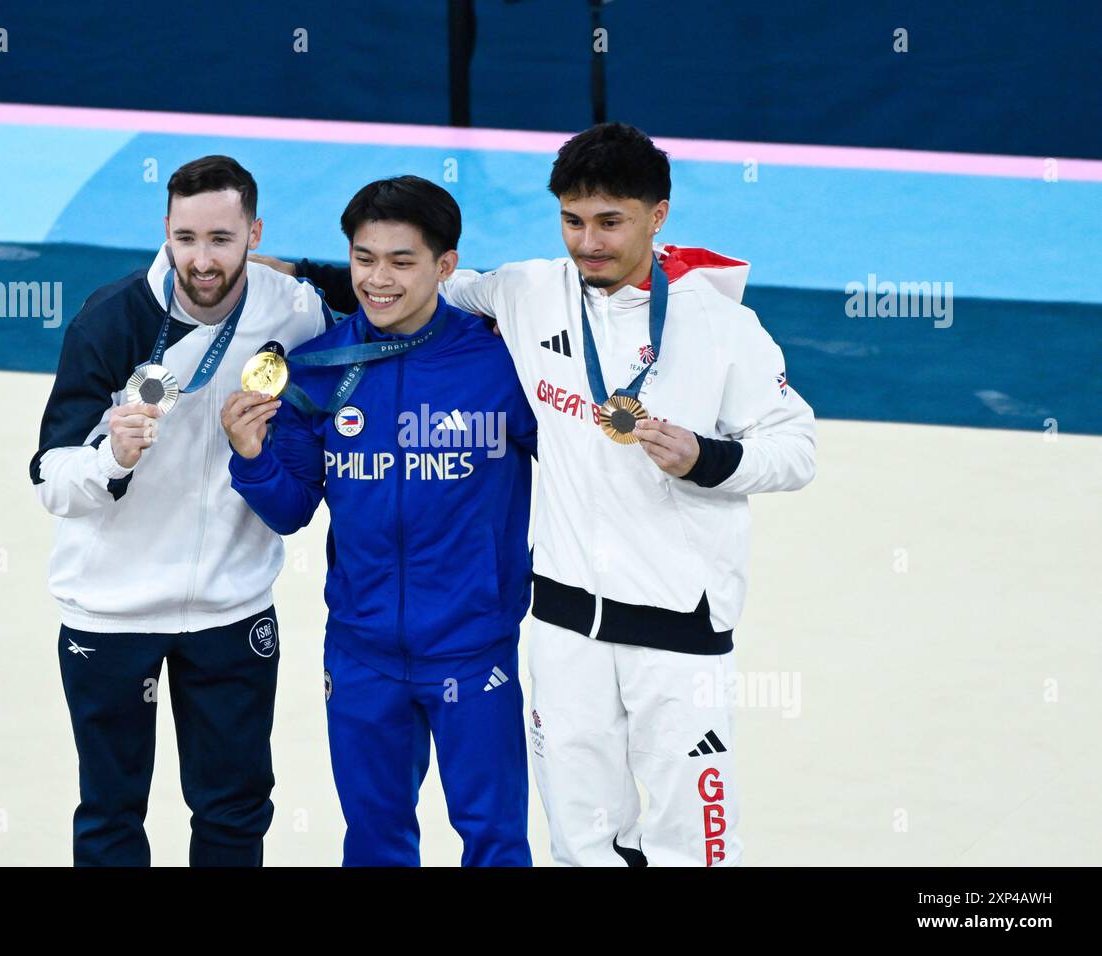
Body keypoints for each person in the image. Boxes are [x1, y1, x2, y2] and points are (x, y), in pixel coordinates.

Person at [260, 123, 816, 866]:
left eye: (610, 221)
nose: (588, 242)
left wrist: (705, 457)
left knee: (694, 844)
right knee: (581, 841)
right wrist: (296, 272)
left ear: (658, 215)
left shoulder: (722, 327)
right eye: (573, 221)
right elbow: (415, 283)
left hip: (680, 624)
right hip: (562, 625)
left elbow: (797, 449)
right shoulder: (525, 291)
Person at [224, 176, 537, 866]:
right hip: (362, 654)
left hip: (474, 647)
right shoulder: (316, 369)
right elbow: (291, 509)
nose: (379, 279)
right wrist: (252, 459)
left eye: (402, 261)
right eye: (364, 259)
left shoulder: (502, 364)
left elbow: (582, 474)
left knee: (495, 840)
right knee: (373, 843)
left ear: (445, 267)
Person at [30, 155, 331, 866]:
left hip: (231, 610)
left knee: (234, 810)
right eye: (186, 238)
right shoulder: (111, 320)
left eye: (222, 239)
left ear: (255, 234)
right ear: (165, 232)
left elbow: (381, 285)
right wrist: (112, 459)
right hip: (111, 615)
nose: (202, 259)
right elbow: (49, 478)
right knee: (110, 813)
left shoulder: (294, 311)